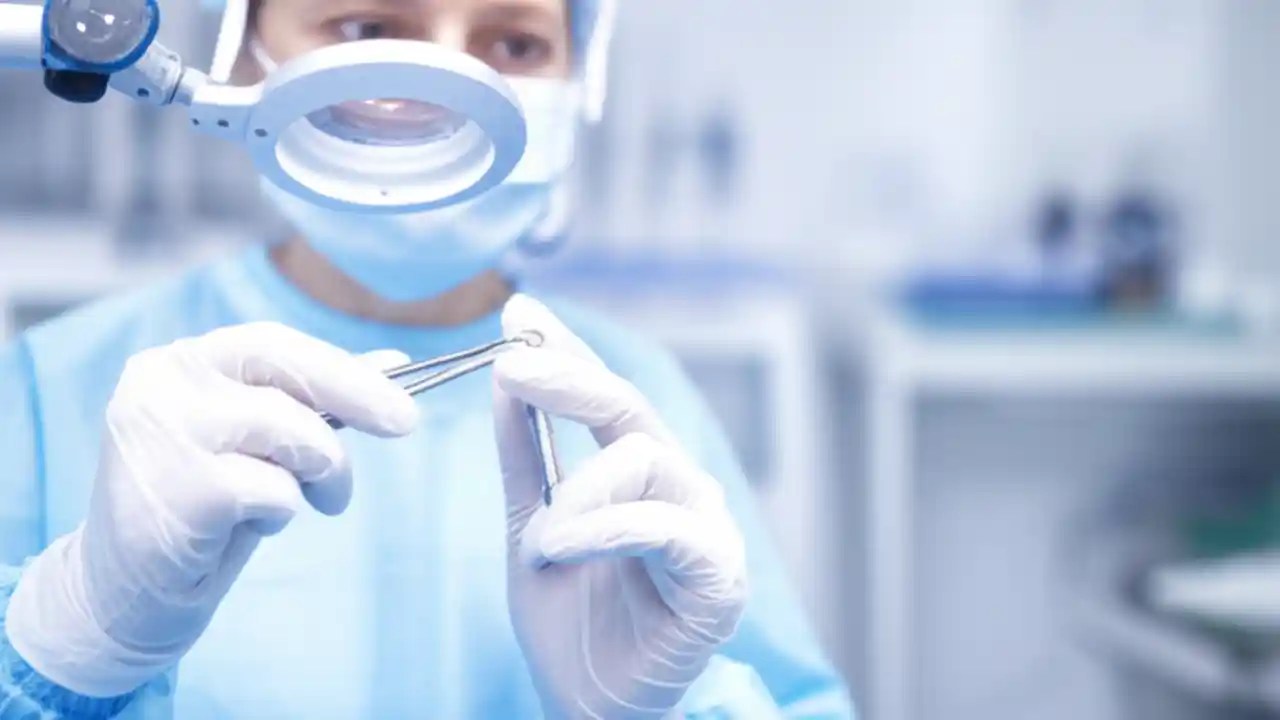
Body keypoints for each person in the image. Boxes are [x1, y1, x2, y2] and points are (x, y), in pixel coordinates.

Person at [0, 0, 855, 716]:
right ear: (242, 57)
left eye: (514, 44)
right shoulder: (58, 386)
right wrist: (64, 648)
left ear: (580, 81)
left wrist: (659, 711)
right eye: (368, 30)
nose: (446, 86)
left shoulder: (636, 403)